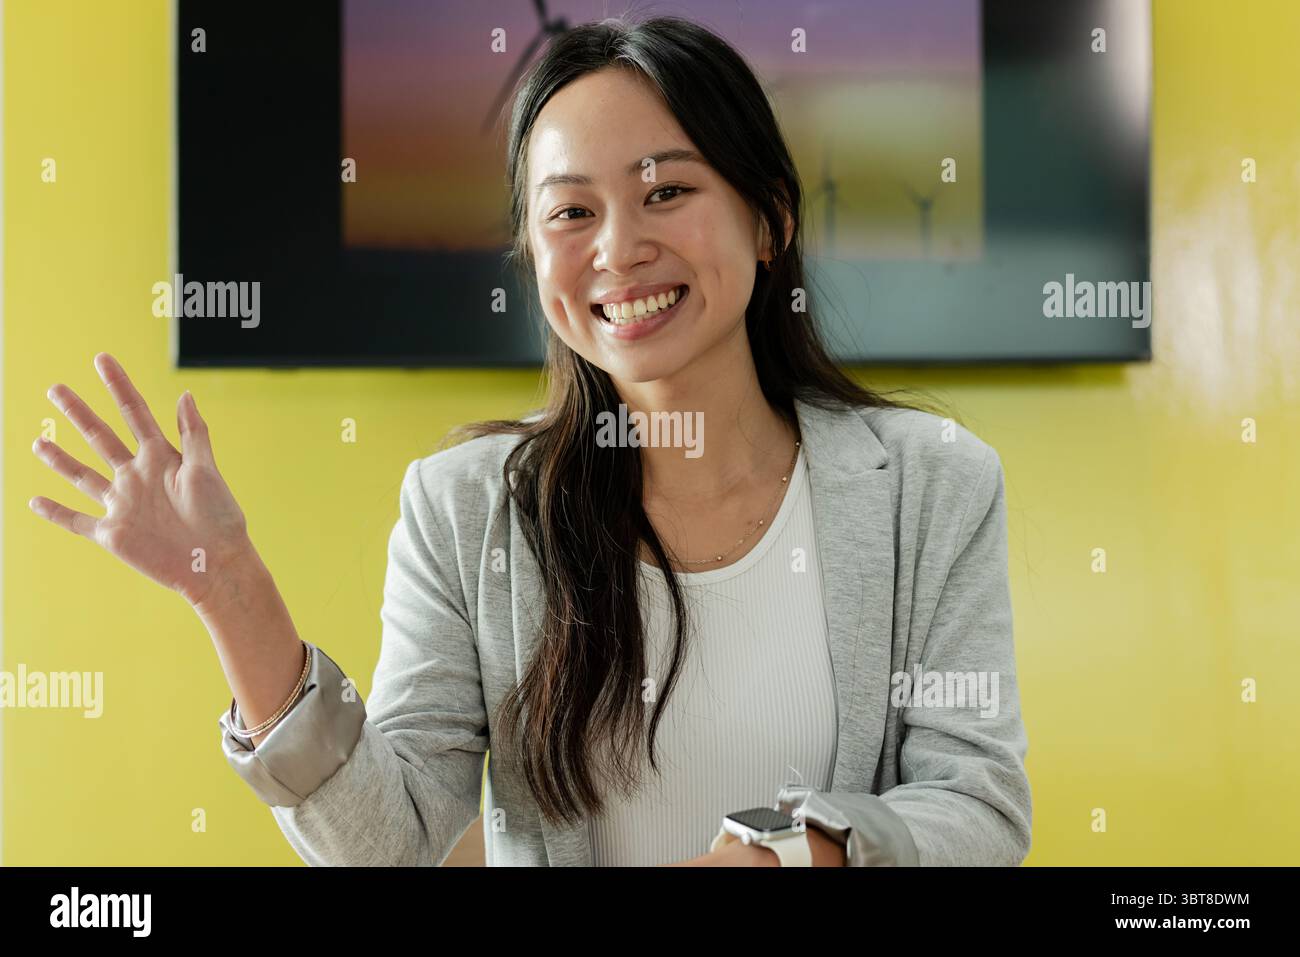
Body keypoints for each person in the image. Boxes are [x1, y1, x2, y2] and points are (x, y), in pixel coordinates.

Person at [29, 15, 1030, 866]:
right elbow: (391, 836)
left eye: (666, 192)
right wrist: (230, 587)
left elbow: (977, 805)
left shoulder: (929, 486)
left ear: (767, 221)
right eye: (571, 212)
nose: (617, 248)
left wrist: (798, 848)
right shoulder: (463, 506)